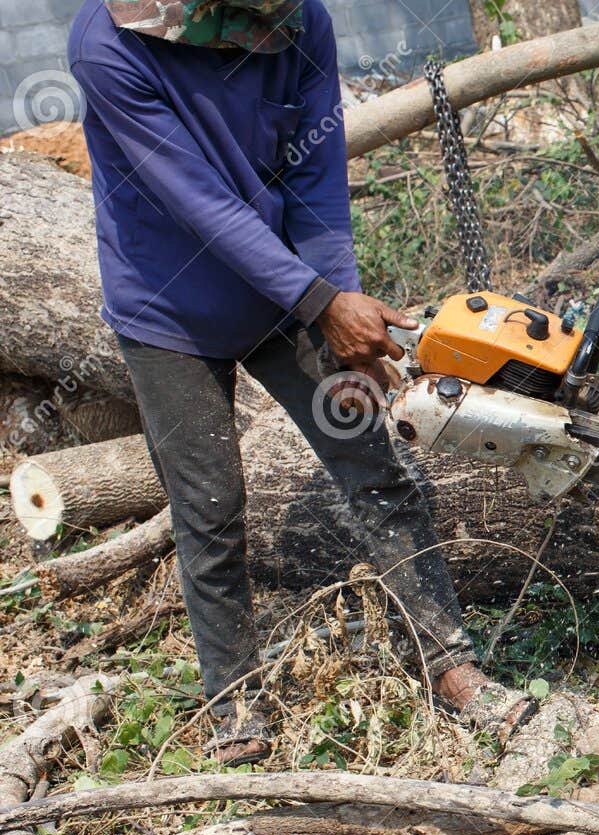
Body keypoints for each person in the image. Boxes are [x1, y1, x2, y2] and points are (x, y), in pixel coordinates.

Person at [68, 0, 532, 764]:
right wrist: (322, 301)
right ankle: (236, 704)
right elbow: (200, 206)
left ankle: (452, 667)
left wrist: (336, 305)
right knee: (211, 507)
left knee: (376, 466)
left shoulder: (300, 19)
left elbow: (315, 176)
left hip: (287, 300)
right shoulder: (108, 40)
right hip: (168, 316)